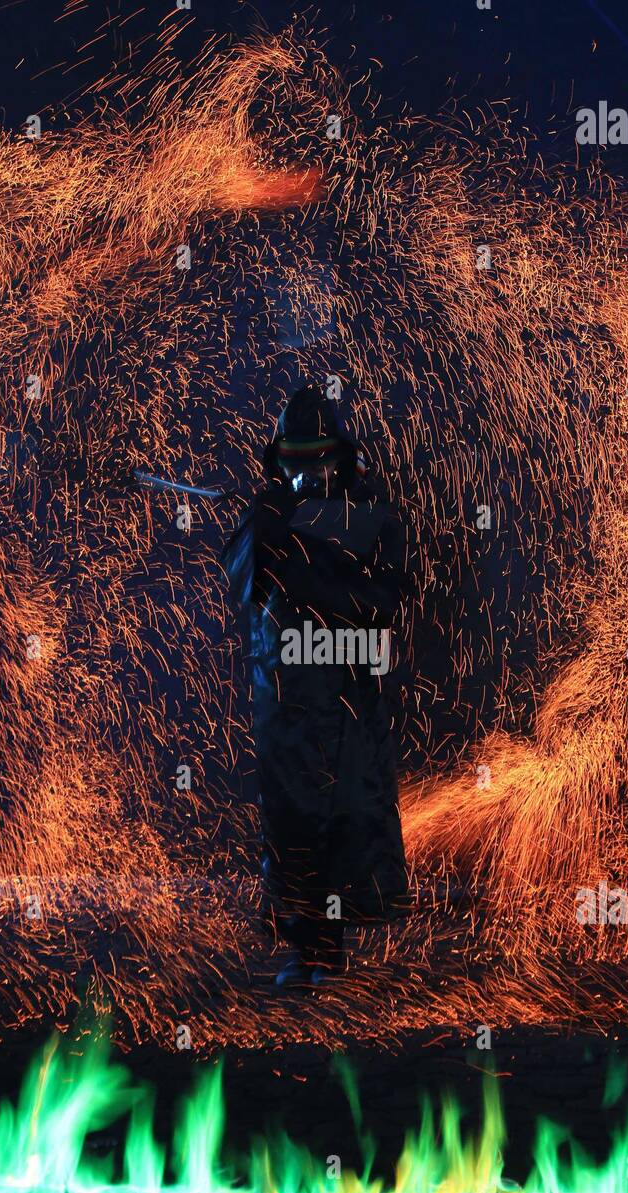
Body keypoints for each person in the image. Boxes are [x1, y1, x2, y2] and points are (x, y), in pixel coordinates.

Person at [222, 385, 407, 986]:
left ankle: (335, 948)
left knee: (352, 817)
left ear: (341, 457)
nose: (308, 473)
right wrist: (266, 528)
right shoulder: (270, 518)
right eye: (296, 461)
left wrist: (307, 568)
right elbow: (244, 584)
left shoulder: (368, 518)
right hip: (288, 705)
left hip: (349, 698)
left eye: (319, 458)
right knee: (295, 822)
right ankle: (310, 950)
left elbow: (381, 603)